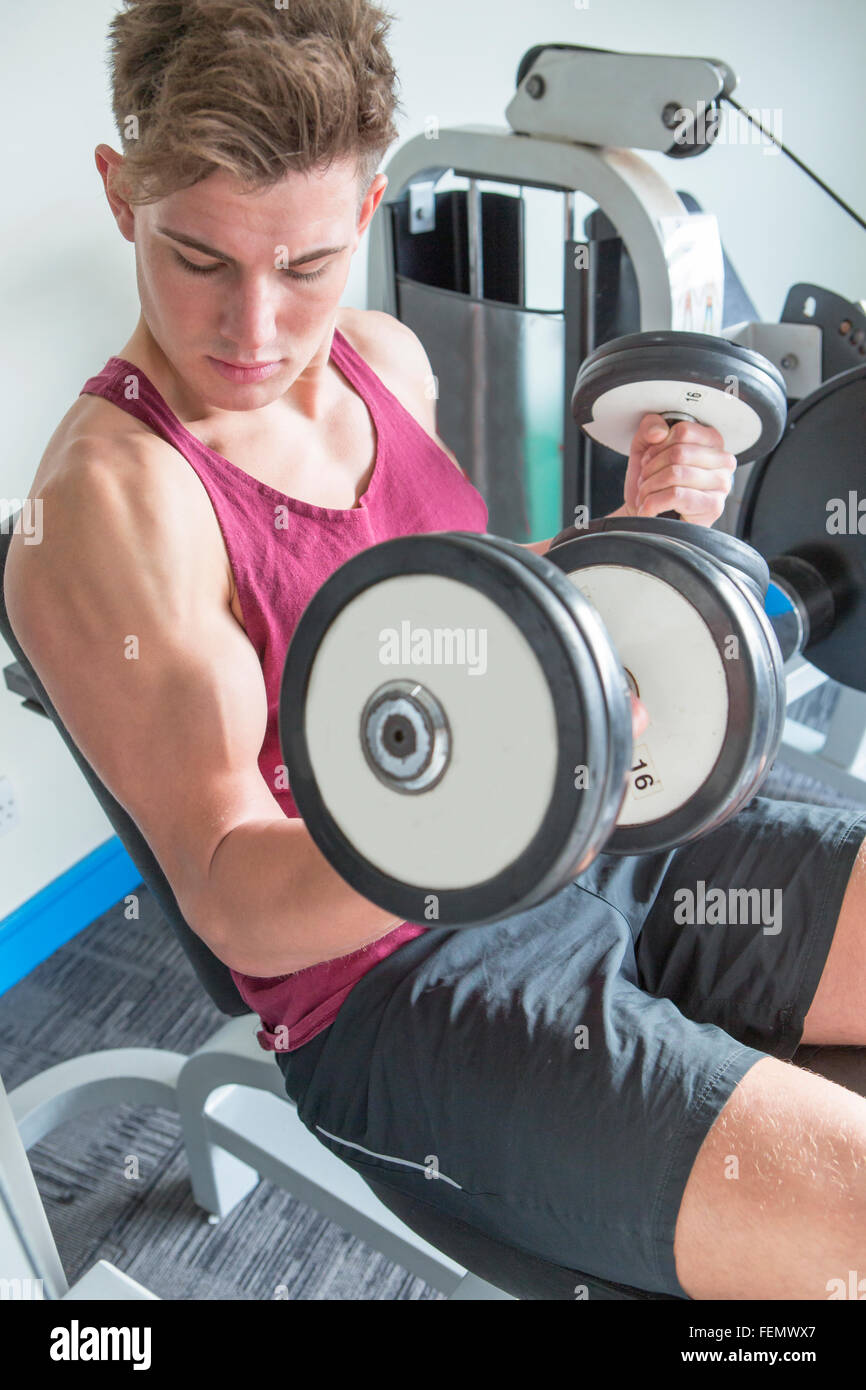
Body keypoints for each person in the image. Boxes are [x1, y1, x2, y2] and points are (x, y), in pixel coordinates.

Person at [5, 0, 866, 1301]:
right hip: (404, 980)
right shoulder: (118, 512)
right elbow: (234, 892)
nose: (252, 330)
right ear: (122, 197)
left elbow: (467, 623)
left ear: (362, 217)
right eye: (197, 257)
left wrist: (630, 544)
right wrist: (513, 805)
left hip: (596, 839)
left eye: (299, 267)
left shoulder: (381, 362)